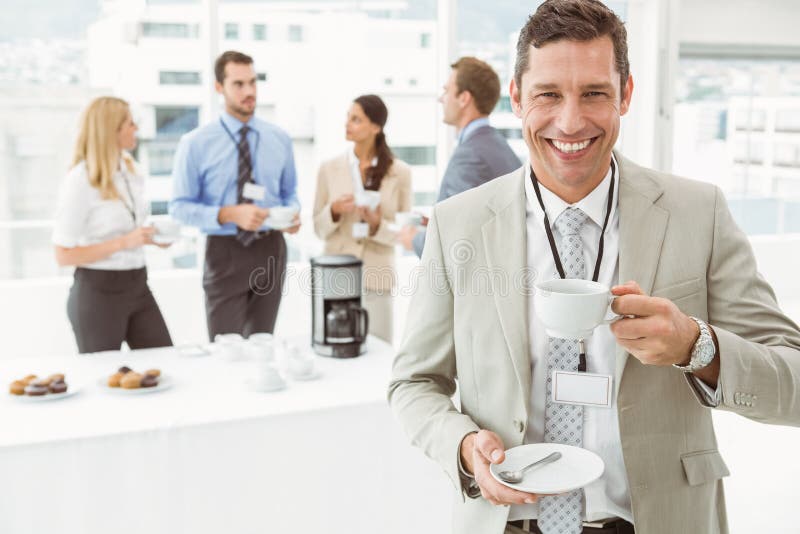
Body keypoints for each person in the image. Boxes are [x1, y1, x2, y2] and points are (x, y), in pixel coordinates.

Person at [388, 2, 800, 534]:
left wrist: (697, 347)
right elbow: (414, 382)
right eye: (548, 95)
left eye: (594, 94)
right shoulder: (457, 224)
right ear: (516, 97)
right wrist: (463, 445)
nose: (570, 121)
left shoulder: (701, 214)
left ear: (625, 95)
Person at [170, 50, 300, 340]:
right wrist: (228, 213)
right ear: (219, 87)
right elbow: (178, 207)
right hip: (225, 250)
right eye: (238, 84)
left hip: (271, 249)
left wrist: (290, 215)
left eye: (253, 83)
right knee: (225, 349)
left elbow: (290, 193)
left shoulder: (279, 138)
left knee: (263, 343)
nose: (249, 92)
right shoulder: (195, 143)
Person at [53, 96, 173, 354]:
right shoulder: (81, 180)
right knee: (103, 379)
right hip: (97, 292)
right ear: (110, 130)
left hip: (138, 283)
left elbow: (130, 225)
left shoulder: (130, 170)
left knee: (164, 360)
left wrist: (150, 237)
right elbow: (63, 254)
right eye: (130, 123)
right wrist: (124, 242)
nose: (136, 129)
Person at [397, 56, 520, 257]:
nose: (441, 98)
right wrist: (438, 222)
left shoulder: (469, 156)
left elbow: (457, 238)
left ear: (464, 98)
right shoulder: (497, 145)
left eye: (446, 91)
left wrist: (414, 239)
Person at [313, 95, 411, 343]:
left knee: (379, 352)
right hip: (337, 273)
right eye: (348, 117)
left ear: (376, 127)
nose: (347, 124)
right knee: (337, 348)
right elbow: (317, 228)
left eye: (356, 119)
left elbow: (405, 233)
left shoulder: (400, 173)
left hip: (377, 276)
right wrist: (334, 210)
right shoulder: (328, 169)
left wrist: (377, 225)